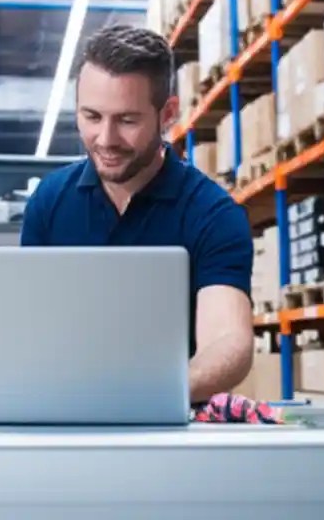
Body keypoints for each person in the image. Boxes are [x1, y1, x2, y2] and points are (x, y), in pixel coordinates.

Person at [20, 24, 255, 404]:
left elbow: (229, 342)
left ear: (168, 114)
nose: (106, 139)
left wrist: (148, 393)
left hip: (168, 424)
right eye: (91, 116)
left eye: (127, 120)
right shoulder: (49, 202)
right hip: (63, 413)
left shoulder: (212, 213)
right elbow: (30, 325)